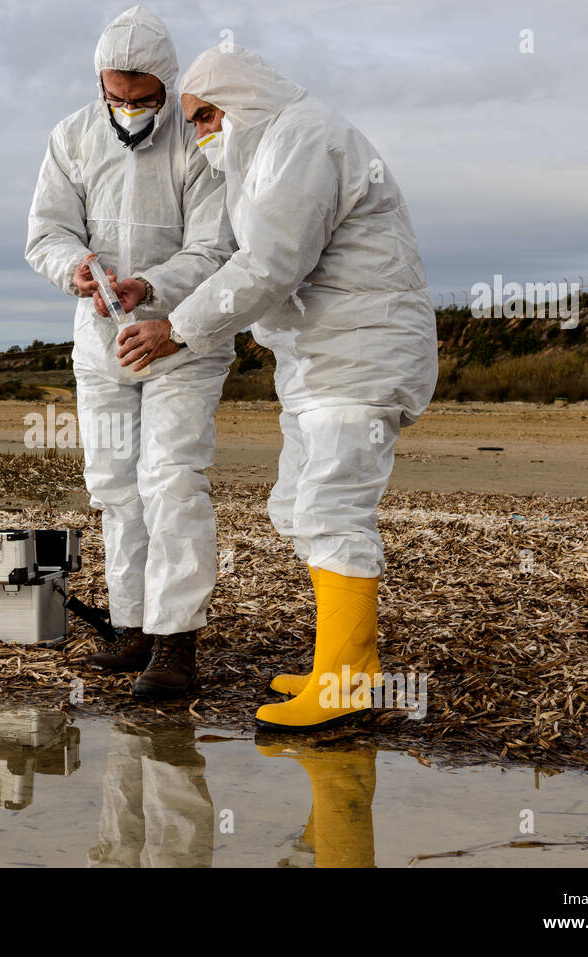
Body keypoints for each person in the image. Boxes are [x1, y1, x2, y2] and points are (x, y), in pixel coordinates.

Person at [116, 46, 438, 728]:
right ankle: (342, 662)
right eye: (193, 120)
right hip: (322, 363)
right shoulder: (269, 154)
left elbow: (269, 265)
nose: (201, 131)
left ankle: (348, 676)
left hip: (359, 358)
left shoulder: (301, 139)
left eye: (207, 114)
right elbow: (248, 259)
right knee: (296, 506)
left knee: (330, 510)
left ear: (241, 96)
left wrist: (175, 327)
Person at [24, 6, 236, 699]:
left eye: (145, 100)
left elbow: (215, 247)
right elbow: (47, 233)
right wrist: (76, 269)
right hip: (102, 340)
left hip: (183, 337)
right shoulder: (72, 137)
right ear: (100, 85)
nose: (132, 110)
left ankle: (178, 642)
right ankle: (135, 625)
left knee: (171, 478)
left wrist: (152, 286)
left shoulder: (199, 136)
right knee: (116, 485)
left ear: (167, 88)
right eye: (119, 98)